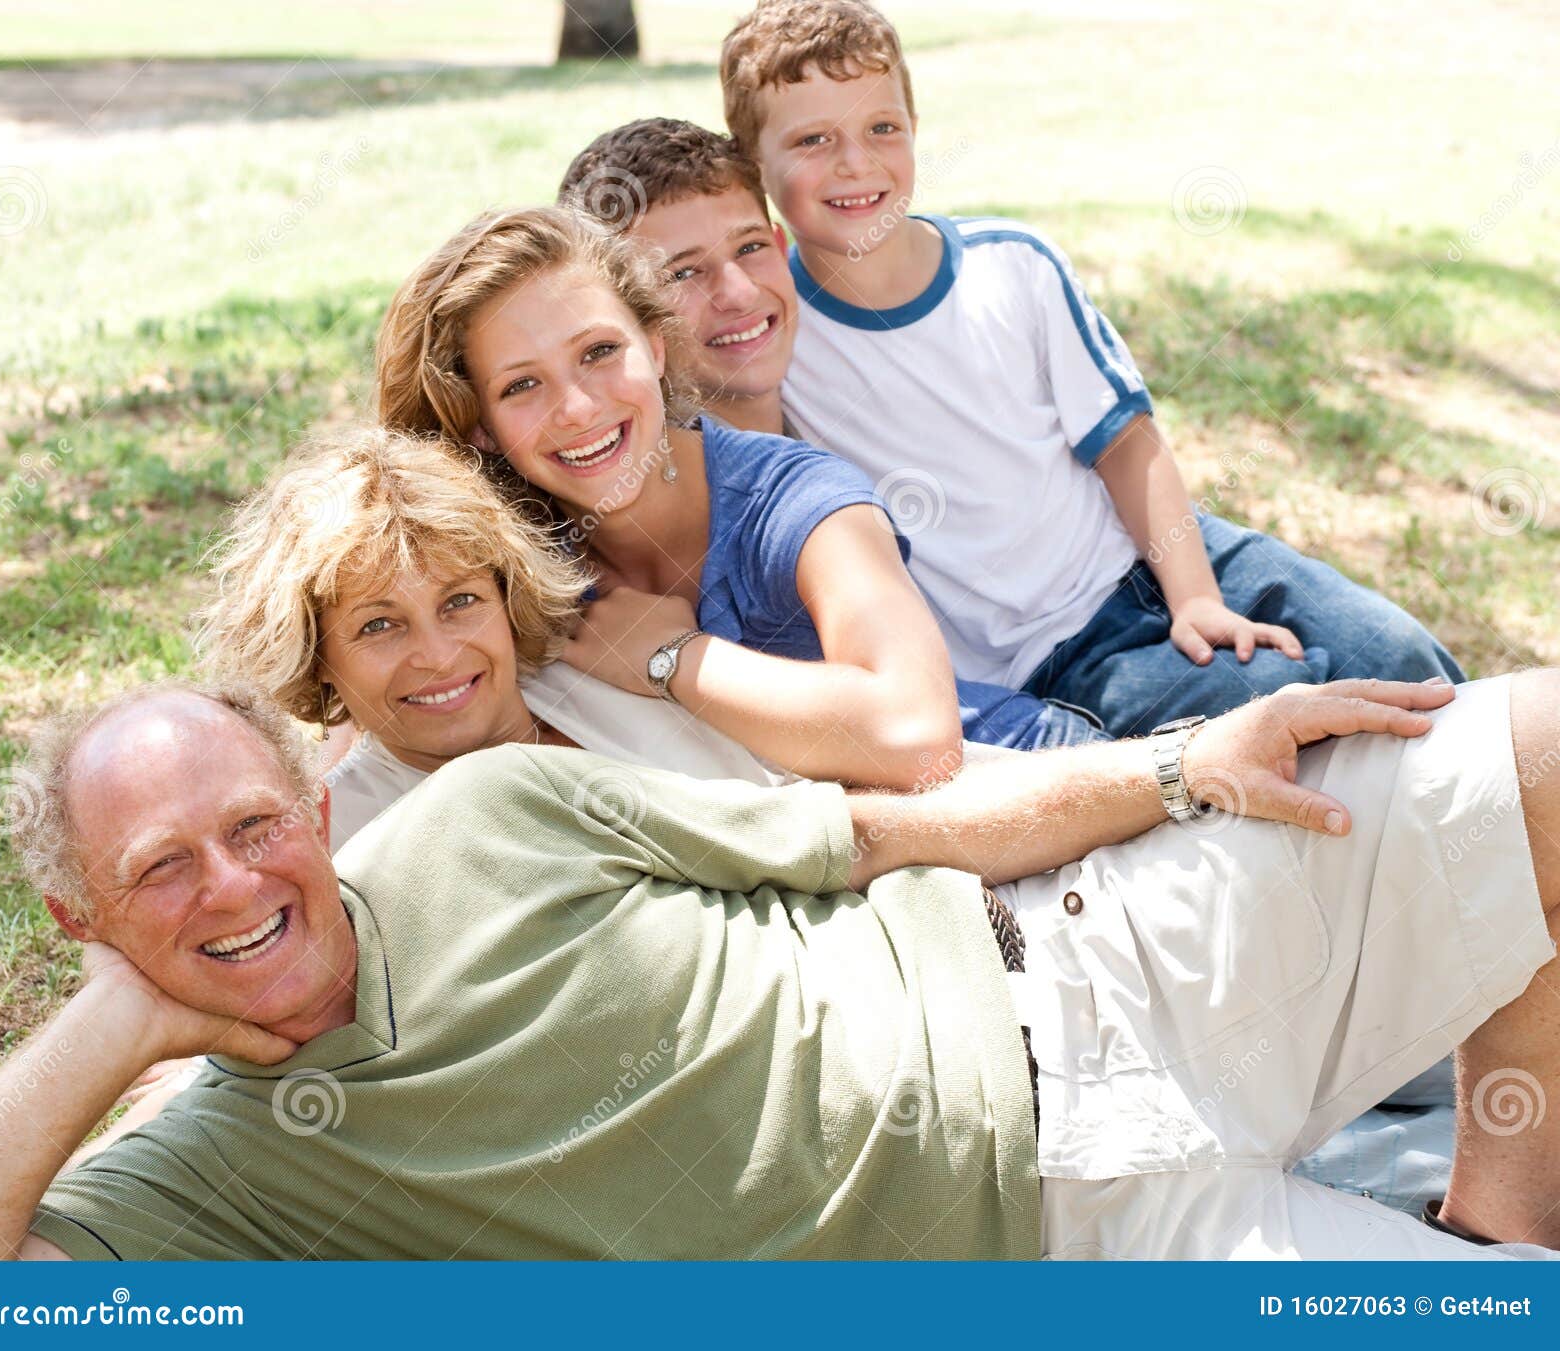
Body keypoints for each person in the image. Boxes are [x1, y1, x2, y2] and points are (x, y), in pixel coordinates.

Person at [554, 113, 1462, 1214]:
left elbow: (1079, 447)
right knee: (1370, 964)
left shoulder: (845, 373)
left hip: (1060, 711)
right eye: (683, 276)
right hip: (1005, 796)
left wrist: (1177, 591)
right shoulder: (624, 489)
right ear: (632, 321)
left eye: (752, 250)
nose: (739, 294)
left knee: (1399, 739)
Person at [0, 669, 1560, 1259]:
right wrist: (119, 1022)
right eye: (159, 870)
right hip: (1086, 1242)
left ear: (313, 806)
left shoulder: (489, 810)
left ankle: (1499, 1215)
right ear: (82, 922)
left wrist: (1174, 771)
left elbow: (874, 832)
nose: (236, 883)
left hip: (1088, 965)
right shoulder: (208, 1186)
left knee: (1538, 749)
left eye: (252, 825)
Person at [711, 0, 1463, 739]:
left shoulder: (1013, 265)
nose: (856, 162)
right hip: (1052, 655)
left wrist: (1194, 594)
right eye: (813, 139)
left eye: (883, 128)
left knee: (1399, 658)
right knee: (1294, 708)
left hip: (1174, 553)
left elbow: (1128, 444)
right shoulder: (770, 337)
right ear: (753, 168)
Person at [374, 206, 1104, 792]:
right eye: (521, 385)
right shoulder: (509, 554)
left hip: (1034, 775)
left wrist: (670, 656)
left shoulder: (798, 499)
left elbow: (917, 736)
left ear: (656, 347)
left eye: (599, 352)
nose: (576, 407)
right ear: (484, 429)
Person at [195, 422, 787, 853]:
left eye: (460, 602)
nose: (439, 655)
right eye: (378, 625)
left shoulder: (622, 670)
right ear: (317, 657)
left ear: (508, 598)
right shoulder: (341, 842)